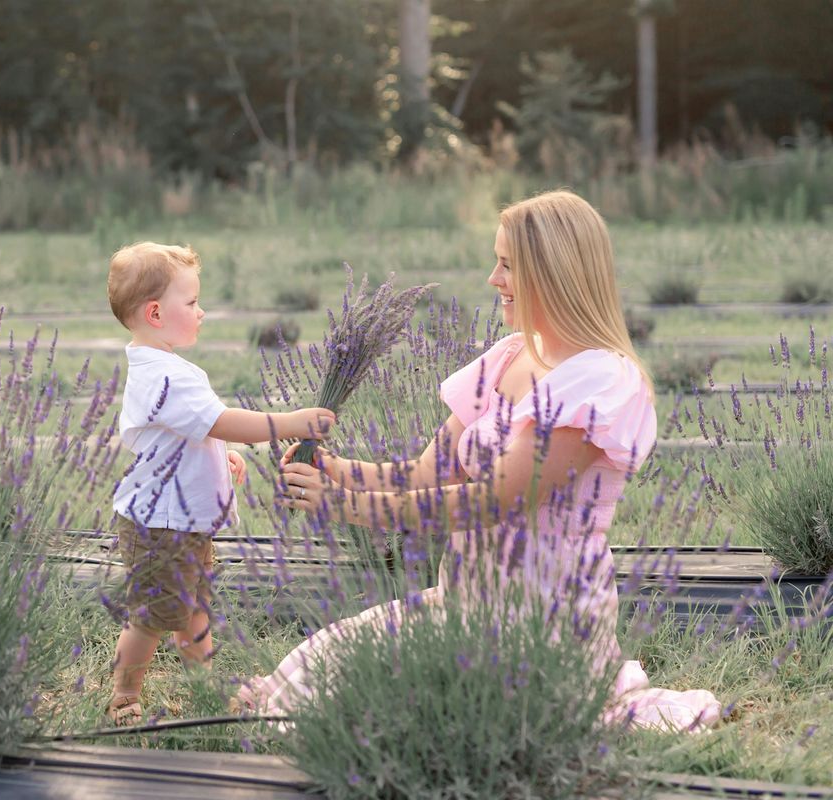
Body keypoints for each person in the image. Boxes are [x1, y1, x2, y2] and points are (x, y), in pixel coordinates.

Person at [243, 191, 721, 732]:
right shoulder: (508, 357)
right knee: (316, 675)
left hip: (541, 622)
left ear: (555, 272)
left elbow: (497, 500)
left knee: (406, 717)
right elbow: (425, 473)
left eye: (508, 265)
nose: (493, 279)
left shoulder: (600, 380)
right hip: (466, 605)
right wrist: (336, 470)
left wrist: (348, 506)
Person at [105, 241, 336, 725]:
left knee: (194, 609)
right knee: (151, 617)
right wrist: (290, 422)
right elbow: (222, 421)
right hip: (162, 528)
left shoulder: (158, 369)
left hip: (178, 522)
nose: (201, 311)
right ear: (155, 313)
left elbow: (188, 435)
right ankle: (124, 696)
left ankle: (207, 689)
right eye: (191, 303)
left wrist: (218, 458)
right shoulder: (168, 377)